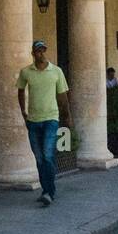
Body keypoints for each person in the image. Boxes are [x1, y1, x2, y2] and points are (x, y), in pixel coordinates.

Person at [17, 40, 71, 206]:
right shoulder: (26, 72)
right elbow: (20, 91)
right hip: (33, 120)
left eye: (43, 50)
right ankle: (46, 189)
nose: (41, 53)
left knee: (48, 155)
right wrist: (23, 113)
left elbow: (62, 96)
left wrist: (67, 116)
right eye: (38, 51)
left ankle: (49, 191)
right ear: (33, 53)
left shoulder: (56, 71)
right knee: (39, 158)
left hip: (51, 119)